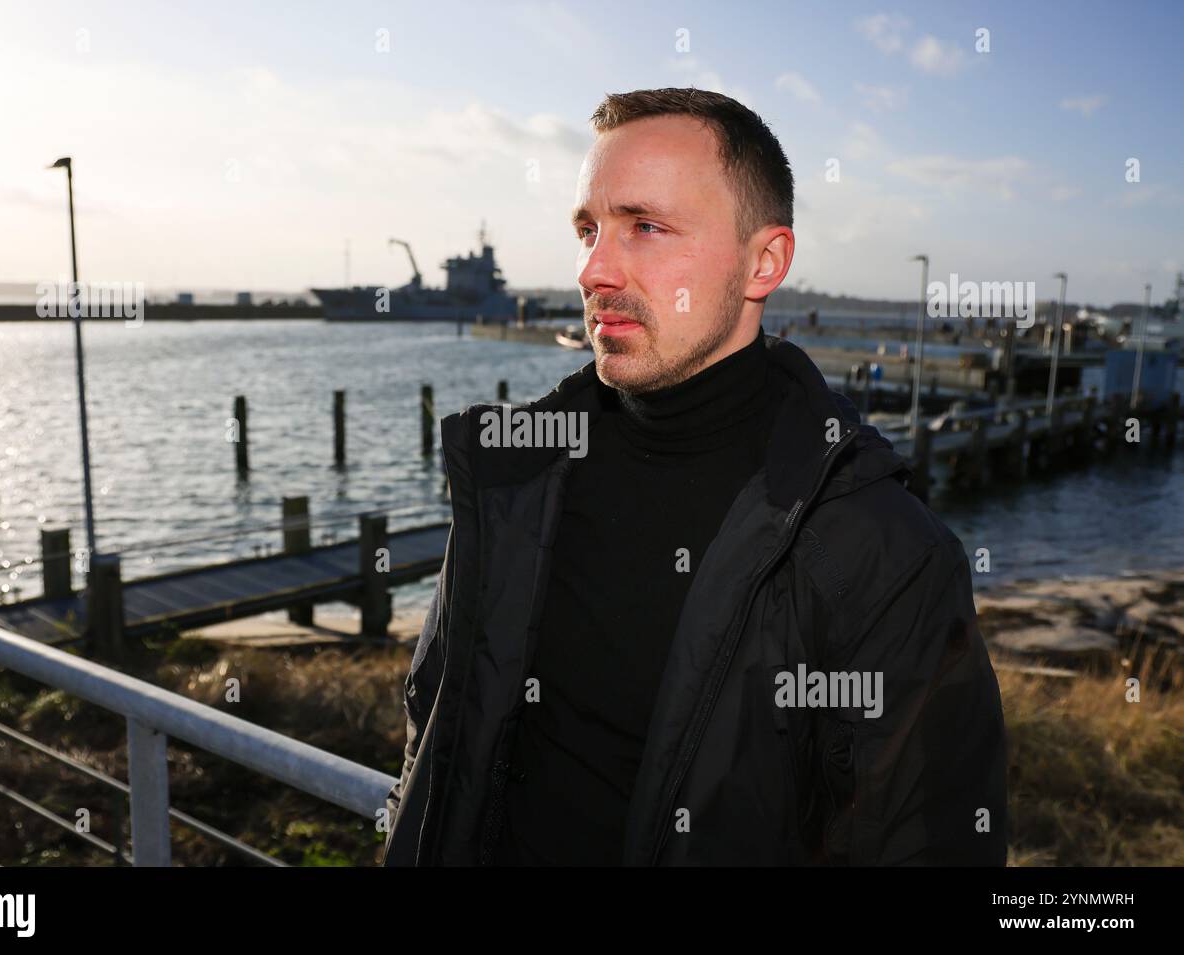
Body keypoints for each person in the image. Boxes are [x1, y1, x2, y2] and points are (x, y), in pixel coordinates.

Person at [383, 87, 1007, 866]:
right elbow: (435, 734)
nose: (593, 270)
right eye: (588, 228)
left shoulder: (882, 556)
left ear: (764, 261)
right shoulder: (516, 476)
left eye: (645, 227)